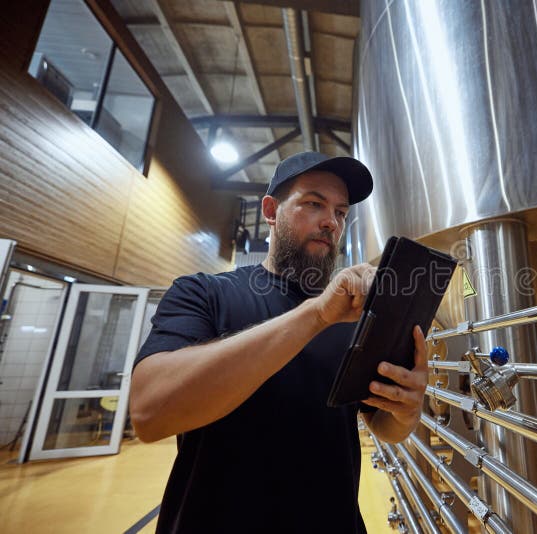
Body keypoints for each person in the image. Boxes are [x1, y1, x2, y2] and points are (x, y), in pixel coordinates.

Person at [130, 151, 429, 533]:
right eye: (313, 203)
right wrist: (316, 314)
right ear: (270, 210)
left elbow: (380, 422)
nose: (330, 222)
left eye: (340, 212)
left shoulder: (355, 316)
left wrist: (406, 412)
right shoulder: (204, 293)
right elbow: (149, 413)